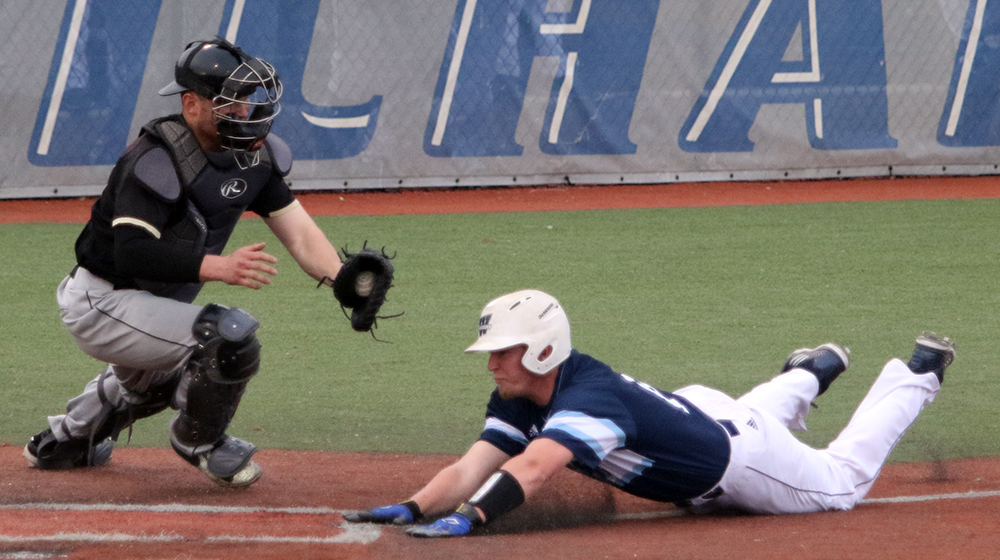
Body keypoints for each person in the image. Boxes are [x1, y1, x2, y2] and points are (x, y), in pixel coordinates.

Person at [345, 289, 954, 537]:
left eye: (502, 353)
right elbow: (472, 465)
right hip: (706, 417)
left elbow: (532, 470)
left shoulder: (588, 398)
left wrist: (472, 520)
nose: (491, 366)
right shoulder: (520, 394)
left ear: (541, 350)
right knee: (747, 415)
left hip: (741, 461)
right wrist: (416, 505)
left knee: (841, 483)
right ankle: (810, 372)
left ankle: (916, 375)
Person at [24, 38, 350, 488]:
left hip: (148, 309)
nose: (243, 111)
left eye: (247, 101)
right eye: (230, 102)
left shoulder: (253, 155)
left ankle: (67, 439)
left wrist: (342, 279)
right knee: (226, 339)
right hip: (103, 302)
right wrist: (218, 267)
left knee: (153, 383)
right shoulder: (156, 157)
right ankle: (200, 442)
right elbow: (132, 251)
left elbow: (299, 232)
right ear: (192, 103)